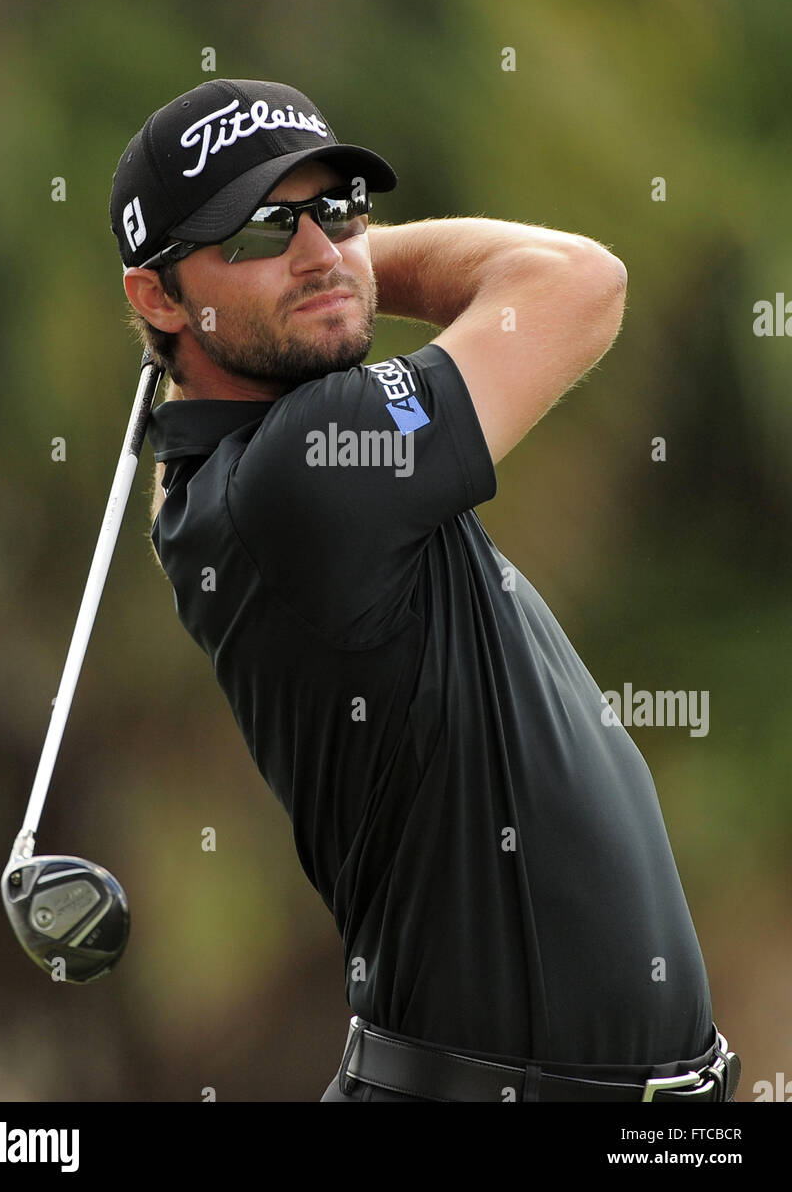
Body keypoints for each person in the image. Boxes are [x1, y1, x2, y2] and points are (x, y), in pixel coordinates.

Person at [110, 77, 739, 1103]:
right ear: (157, 295)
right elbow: (578, 281)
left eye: (341, 211)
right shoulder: (310, 467)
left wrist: (311, 270)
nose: (319, 248)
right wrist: (349, 273)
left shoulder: (227, 478)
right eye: (262, 229)